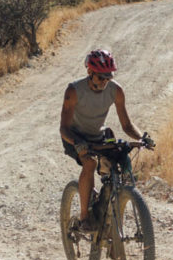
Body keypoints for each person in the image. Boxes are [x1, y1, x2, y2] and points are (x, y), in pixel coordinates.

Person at [60, 47, 152, 228]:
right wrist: (78, 142)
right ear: (89, 72)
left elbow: (126, 125)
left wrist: (142, 137)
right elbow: (64, 128)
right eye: (100, 77)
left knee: (118, 164)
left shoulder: (116, 91)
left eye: (108, 77)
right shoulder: (74, 90)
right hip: (74, 137)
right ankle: (85, 218)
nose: (104, 82)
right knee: (90, 163)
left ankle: (111, 218)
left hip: (97, 136)